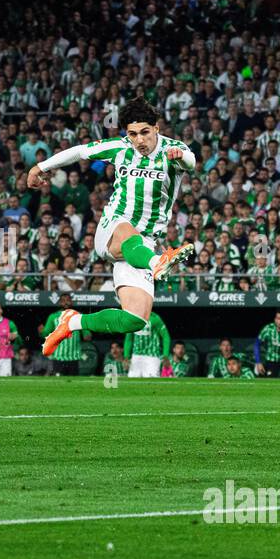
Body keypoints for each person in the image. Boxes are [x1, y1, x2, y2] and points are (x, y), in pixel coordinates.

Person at [35, 96, 195, 358]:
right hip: (114, 228)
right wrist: (41, 166)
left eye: (145, 132)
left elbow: (190, 162)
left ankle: (71, 322)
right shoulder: (119, 147)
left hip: (143, 245)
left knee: (136, 320)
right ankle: (157, 263)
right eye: (133, 134)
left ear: (156, 128)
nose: (139, 140)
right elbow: (79, 151)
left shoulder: (173, 149)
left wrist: (181, 157)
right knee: (129, 232)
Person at [41, 293, 81, 375]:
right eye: (63, 301)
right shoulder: (53, 317)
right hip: (58, 357)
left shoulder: (78, 315)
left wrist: (88, 334)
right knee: (59, 384)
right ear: (59, 303)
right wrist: (41, 332)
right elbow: (45, 334)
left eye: (68, 300)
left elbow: (87, 334)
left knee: (74, 384)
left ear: (72, 302)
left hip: (74, 357)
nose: (66, 303)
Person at [125, 311, 170, 377]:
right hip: (136, 356)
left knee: (152, 384)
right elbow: (129, 339)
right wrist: (126, 356)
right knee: (132, 381)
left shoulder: (155, 318)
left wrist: (165, 355)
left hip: (152, 356)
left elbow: (165, 336)